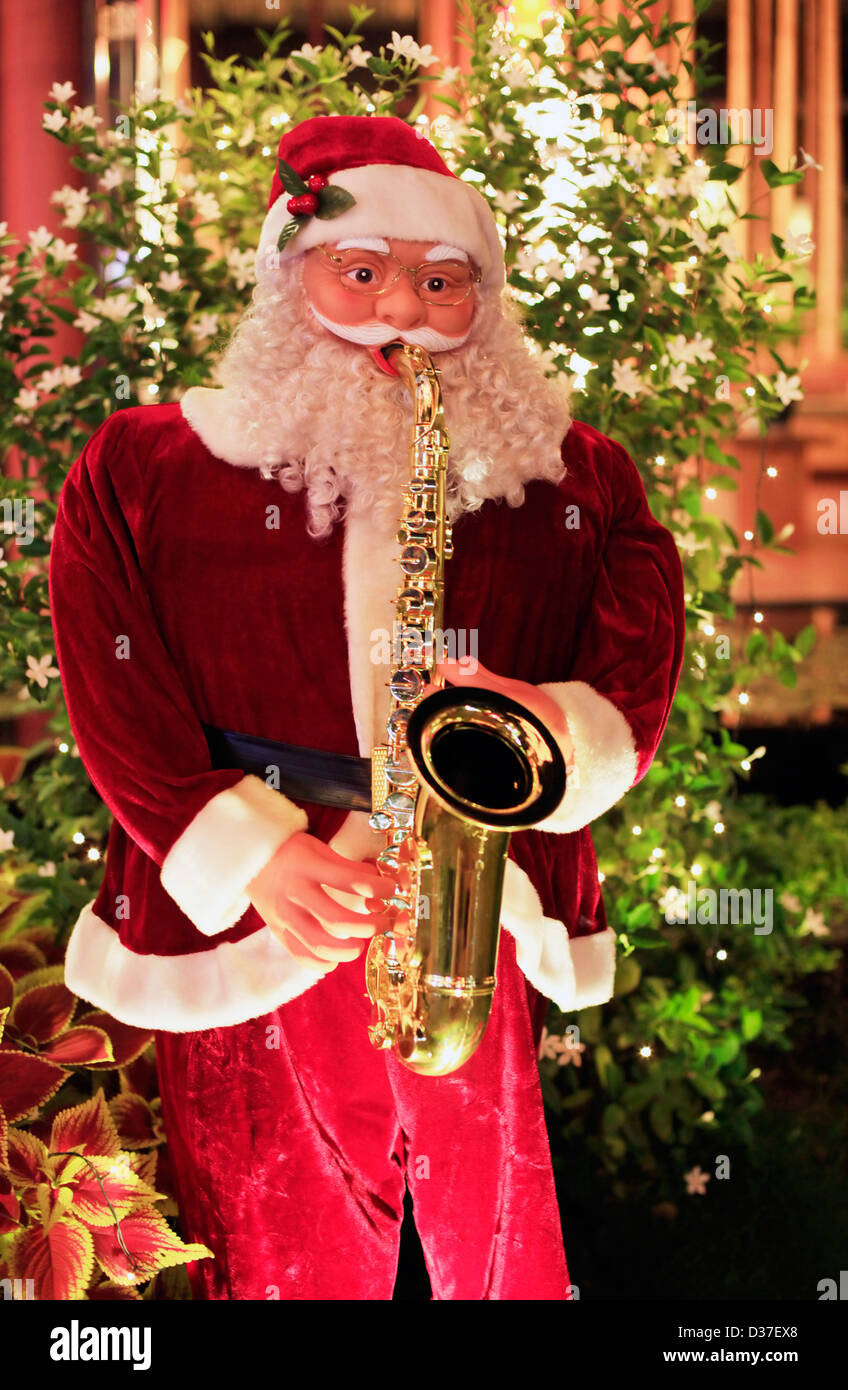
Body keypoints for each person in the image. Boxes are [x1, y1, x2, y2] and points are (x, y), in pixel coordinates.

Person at [49, 115, 685, 1300]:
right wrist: (244, 852)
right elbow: (111, 684)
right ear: (287, 273)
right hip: (255, 914)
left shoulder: (575, 474)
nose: (401, 307)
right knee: (272, 1246)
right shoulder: (140, 465)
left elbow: (632, 663)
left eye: (441, 282)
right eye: (362, 270)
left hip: (464, 907)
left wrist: (542, 730)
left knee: (491, 1250)